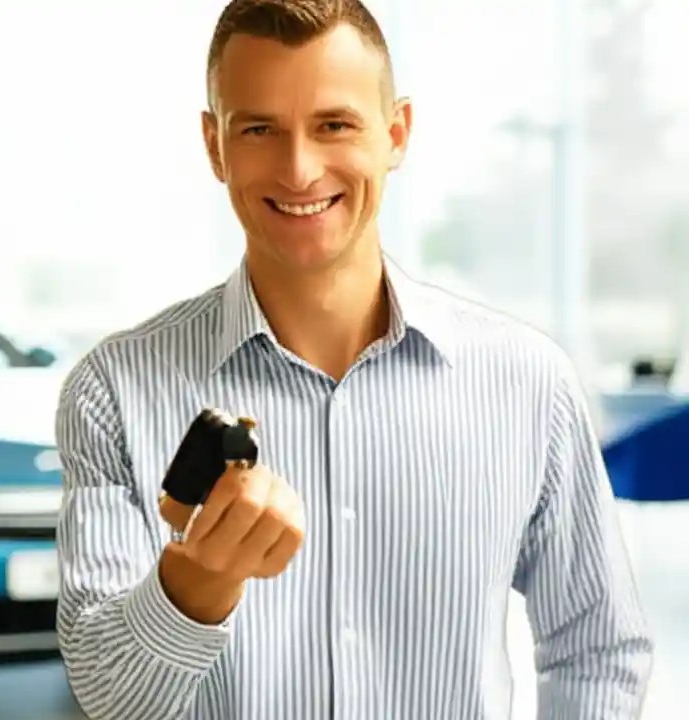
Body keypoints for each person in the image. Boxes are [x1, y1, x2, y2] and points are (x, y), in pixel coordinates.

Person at [52, 1, 655, 718]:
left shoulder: (529, 383)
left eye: (333, 125)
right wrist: (198, 583)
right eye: (259, 129)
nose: (300, 169)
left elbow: (599, 648)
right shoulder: (113, 393)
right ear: (215, 145)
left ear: (395, 133)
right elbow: (109, 696)